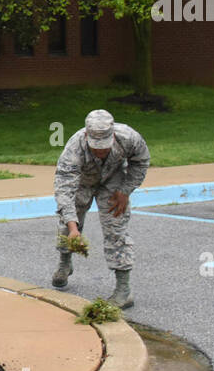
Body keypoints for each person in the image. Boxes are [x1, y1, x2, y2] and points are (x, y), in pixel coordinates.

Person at [52, 109, 150, 309]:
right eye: (96, 148)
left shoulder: (129, 138)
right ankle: (65, 263)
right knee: (67, 224)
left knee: (116, 229)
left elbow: (141, 162)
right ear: (87, 136)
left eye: (104, 147)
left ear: (112, 136)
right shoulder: (74, 148)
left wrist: (125, 190)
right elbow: (64, 191)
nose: (100, 151)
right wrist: (73, 228)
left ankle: (124, 290)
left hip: (113, 181)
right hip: (82, 183)